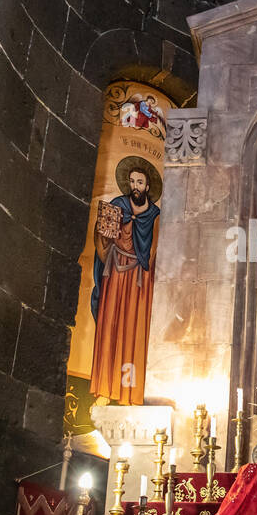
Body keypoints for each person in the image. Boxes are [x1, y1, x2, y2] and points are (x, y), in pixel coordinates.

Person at [90, 163, 160, 404]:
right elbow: (101, 240)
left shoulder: (155, 215)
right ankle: (105, 387)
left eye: (139, 182)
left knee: (133, 327)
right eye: (132, 182)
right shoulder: (116, 206)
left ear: (148, 186)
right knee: (110, 324)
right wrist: (104, 244)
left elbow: (154, 249)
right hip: (114, 273)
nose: (135, 187)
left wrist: (146, 264)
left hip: (138, 277)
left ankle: (130, 392)